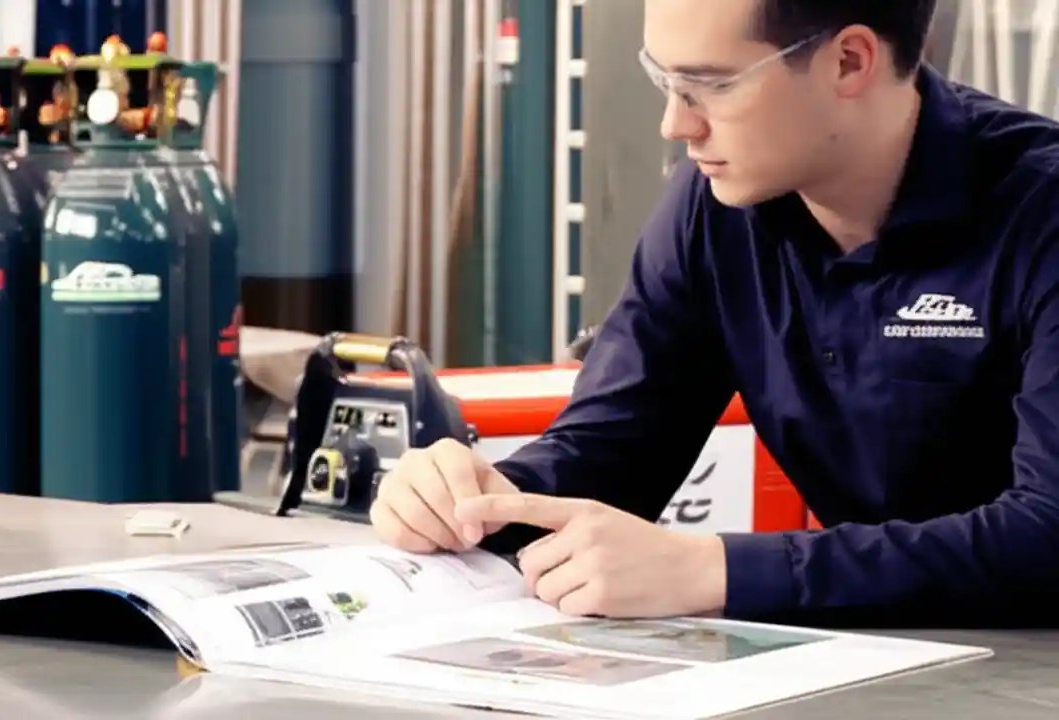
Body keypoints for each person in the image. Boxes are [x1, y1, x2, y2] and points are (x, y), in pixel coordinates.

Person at [370, 0, 1059, 628]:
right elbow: (612, 448)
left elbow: (1047, 534)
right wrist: (475, 503)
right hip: (897, 653)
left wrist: (714, 570)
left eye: (713, 85)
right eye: (664, 80)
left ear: (849, 61)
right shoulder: (717, 209)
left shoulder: (1042, 213)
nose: (676, 124)